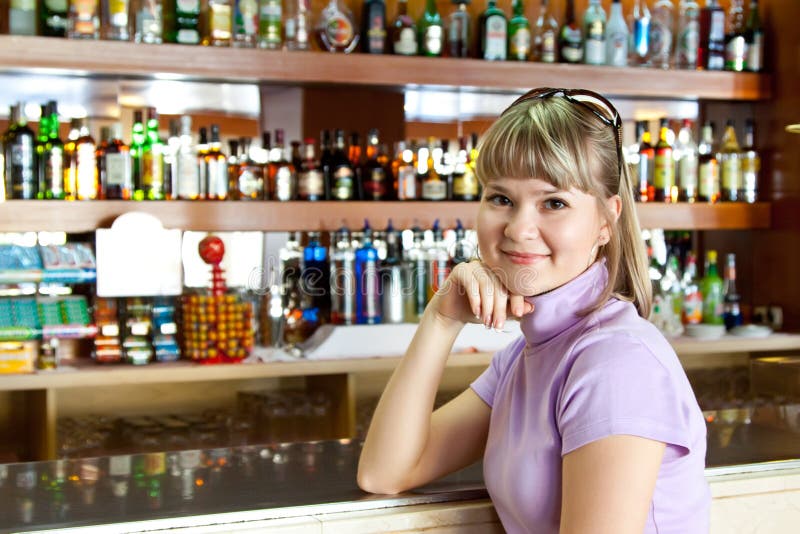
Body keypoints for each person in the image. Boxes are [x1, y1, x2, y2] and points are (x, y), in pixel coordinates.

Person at [357, 88, 711, 533]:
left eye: (554, 202)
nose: (519, 228)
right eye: (501, 198)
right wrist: (441, 318)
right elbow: (386, 472)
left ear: (606, 221)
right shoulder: (529, 355)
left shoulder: (615, 362)